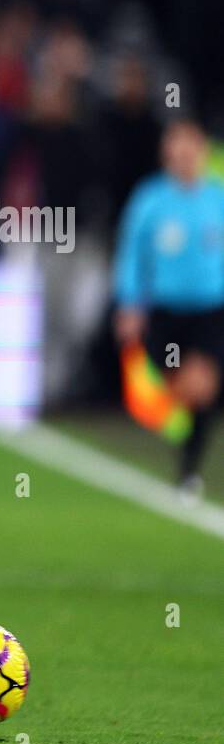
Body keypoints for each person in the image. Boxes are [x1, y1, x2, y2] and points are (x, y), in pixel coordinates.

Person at [113, 119, 224, 498]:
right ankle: (176, 421)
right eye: (176, 146)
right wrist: (130, 303)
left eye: (191, 146)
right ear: (166, 152)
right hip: (164, 310)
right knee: (170, 392)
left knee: (203, 386)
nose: (184, 154)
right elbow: (132, 255)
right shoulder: (150, 200)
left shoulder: (217, 197)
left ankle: (189, 471)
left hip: (211, 310)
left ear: (203, 151)